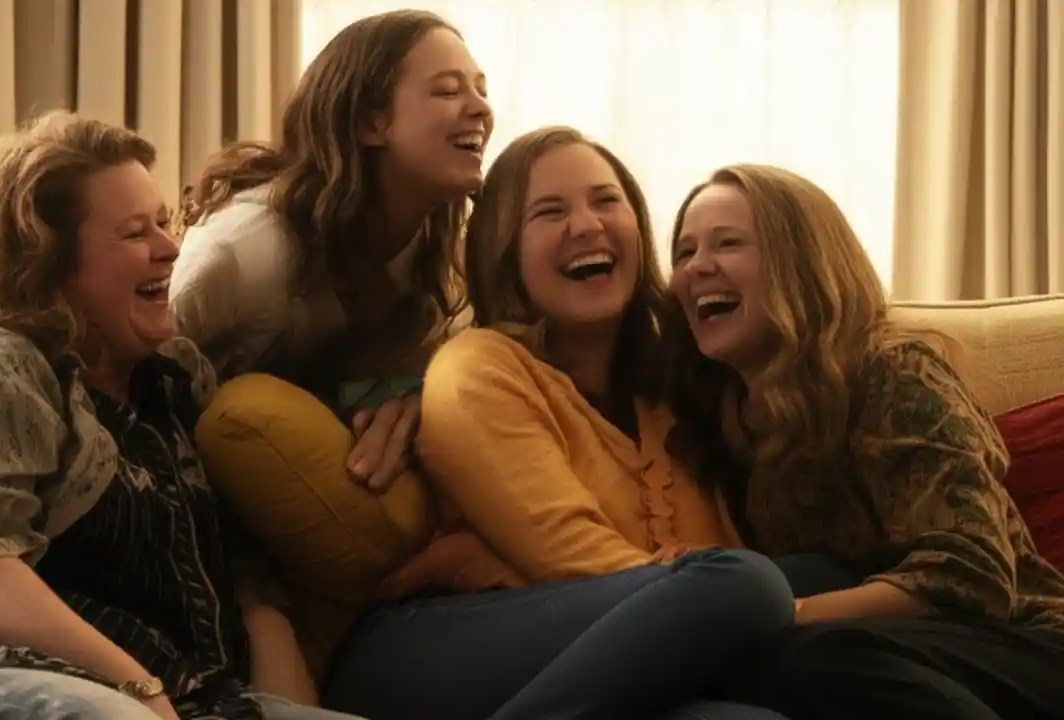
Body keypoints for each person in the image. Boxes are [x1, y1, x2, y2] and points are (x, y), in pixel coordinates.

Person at [0, 112, 362, 720]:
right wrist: (142, 691)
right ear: (45, 263)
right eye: (135, 234)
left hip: (180, 692)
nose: (171, 247)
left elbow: (239, 573)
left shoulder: (177, 375)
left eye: (163, 222)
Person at [322, 127, 795, 720]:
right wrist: (739, 604)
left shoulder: (678, 388)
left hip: (595, 662)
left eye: (606, 201)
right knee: (748, 586)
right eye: (550, 211)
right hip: (436, 645)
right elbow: (572, 560)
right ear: (504, 248)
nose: (587, 226)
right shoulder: (478, 367)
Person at [666, 164, 1064, 720]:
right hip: (896, 655)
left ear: (802, 264)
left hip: (1025, 643)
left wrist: (782, 611)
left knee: (805, 655)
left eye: (728, 244)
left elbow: (970, 575)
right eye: (683, 253)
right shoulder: (725, 415)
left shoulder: (894, 372)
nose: (697, 267)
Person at [171, 9, 492, 492]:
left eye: (481, 90)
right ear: (370, 123)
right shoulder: (243, 251)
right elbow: (121, 378)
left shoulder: (435, 250)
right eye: (448, 90)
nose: (481, 109)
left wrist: (418, 396)